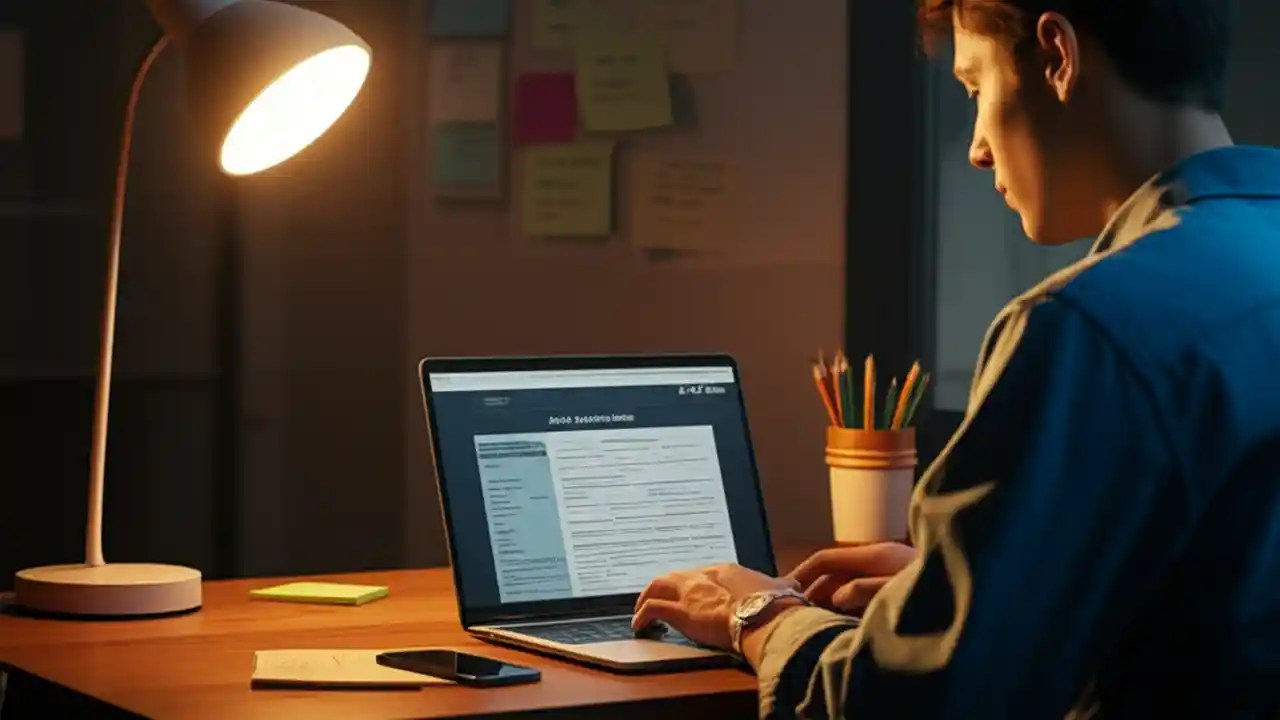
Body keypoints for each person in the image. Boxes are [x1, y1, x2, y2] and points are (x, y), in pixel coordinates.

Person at [632, 1, 1280, 717]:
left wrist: (753, 613)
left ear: (1057, 55)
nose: (975, 147)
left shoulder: (1088, 329)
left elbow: (912, 703)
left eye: (975, 88)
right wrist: (979, 587)